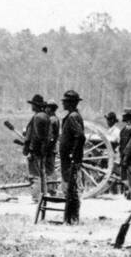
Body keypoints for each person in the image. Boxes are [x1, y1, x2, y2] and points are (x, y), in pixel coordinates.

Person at [57, 91, 86, 224]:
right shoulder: (73, 116)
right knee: (70, 188)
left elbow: (80, 136)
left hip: (70, 160)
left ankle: (71, 218)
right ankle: (70, 218)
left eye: (65, 101)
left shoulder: (73, 117)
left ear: (71, 103)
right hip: (68, 159)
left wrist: (73, 154)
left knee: (71, 188)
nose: (63, 103)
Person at [23, 94, 50, 198]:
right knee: (42, 173)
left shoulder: (37, 117)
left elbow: (35, 136)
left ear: (36, 106)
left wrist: (30, 150)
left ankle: (36, 197)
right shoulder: (45, 116)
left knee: (34, 175)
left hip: (35, 150)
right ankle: (43, 195)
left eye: (33, 105)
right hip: (42, 150)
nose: (31, 107)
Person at [45, 101, 61, 190]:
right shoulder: (55, 119)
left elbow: (50, 136)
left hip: (50, 148)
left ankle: (51, 189)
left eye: (47, 108)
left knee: (49, 169)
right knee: (51, 169)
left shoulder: (52, 120)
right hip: (53, 147)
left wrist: (46, 147)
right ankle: (52, 188)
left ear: (50, 109)